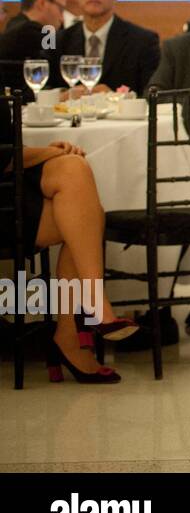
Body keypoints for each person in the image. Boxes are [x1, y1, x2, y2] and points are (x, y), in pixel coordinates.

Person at [0, 118, 140, 384]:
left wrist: (41, 152)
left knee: (74, 169)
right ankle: (73, 332)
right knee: (87, 219)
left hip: (9, 187)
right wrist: (46, 153)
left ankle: (86, 311)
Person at [49, 0, 160, 95]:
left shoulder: (143, 41)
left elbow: (152, 94)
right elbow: (44, 86)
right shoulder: (57, 40)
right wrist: (63, 94)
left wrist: (116, 97)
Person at [0, 0, 63, 98]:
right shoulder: (37, 32)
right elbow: (56, 75)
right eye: (60, 8)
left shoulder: (14, 24)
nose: (62, 17)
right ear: (42, 2)